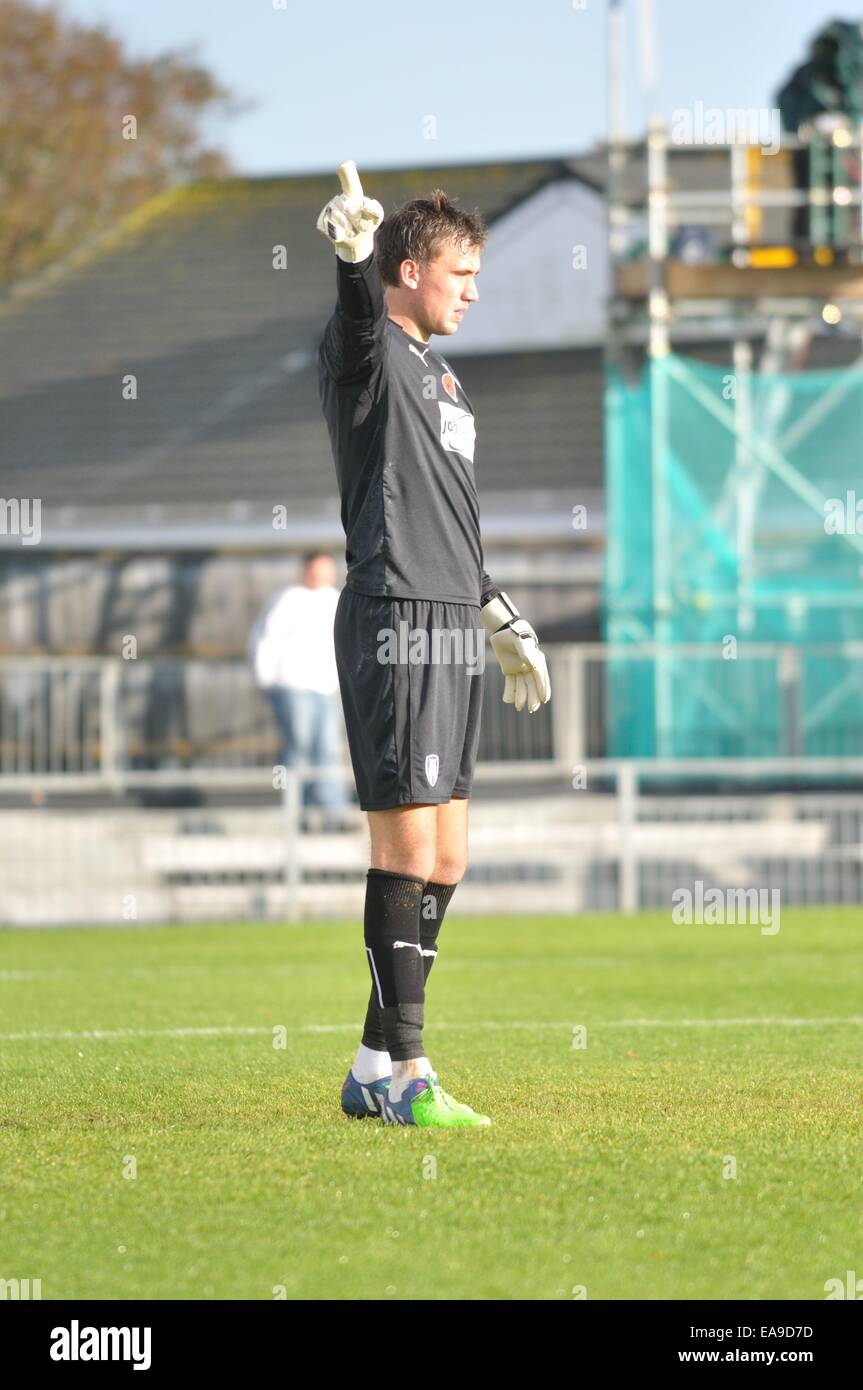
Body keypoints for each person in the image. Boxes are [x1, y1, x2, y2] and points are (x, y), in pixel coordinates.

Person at [316, 163, 551, 1127]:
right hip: (395, 613)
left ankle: (375, 1058)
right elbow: (355, 323)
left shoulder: (448, 378)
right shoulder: (368, 348)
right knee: (406, 843)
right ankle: (408, 1074)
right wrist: (350, 259)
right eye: (460, 275)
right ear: (410, 269)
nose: (473, 292)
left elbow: (450, 512)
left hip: (453, 618)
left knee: (447, 855)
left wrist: (495, 610)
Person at [248, 553, 349, 828]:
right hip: (292, 687)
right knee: (299, 750)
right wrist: (266, 680)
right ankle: (298, 815)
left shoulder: (335, 600)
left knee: (328, 751)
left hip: (326, 689)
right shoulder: (288, 600)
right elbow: (265, 640)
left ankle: (333, 814)